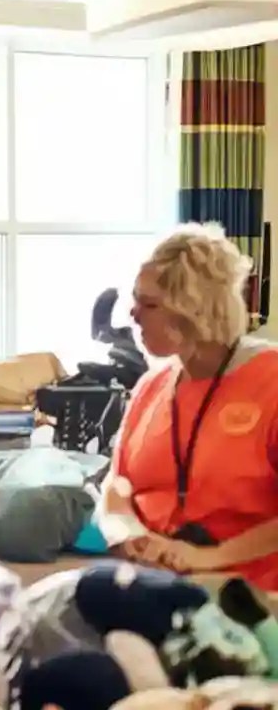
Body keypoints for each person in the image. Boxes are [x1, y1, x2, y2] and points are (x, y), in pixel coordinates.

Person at [100, 224, 278, 591]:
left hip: (249, 594)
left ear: (196, 311)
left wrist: (209, 557)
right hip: (155, 584)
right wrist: (128, 533)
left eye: (149, 304)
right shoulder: (151, 385)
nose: (133, 314)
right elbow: (117, 485)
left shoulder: (270, 380)